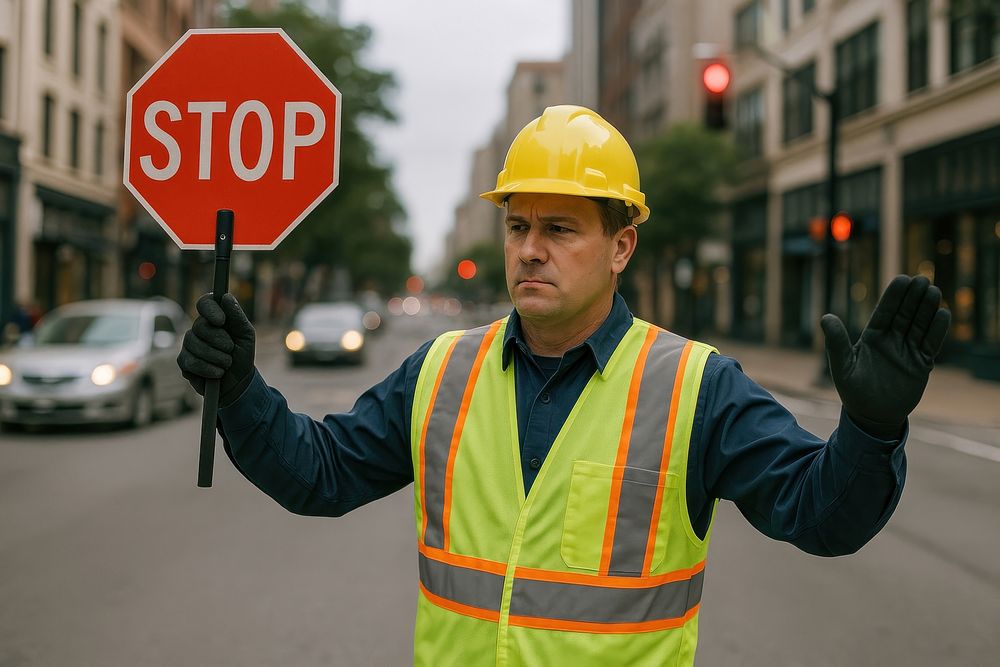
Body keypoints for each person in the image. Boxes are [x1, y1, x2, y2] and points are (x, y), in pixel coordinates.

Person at [177, 105, 950, 666]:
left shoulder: (696, 386)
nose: (531, 250)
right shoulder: (443, 370)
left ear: (620, 246)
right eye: (518, 226)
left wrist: (871, 431)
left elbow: (820, 515)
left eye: (560, 228)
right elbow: (320, 472)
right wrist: (243, 387)